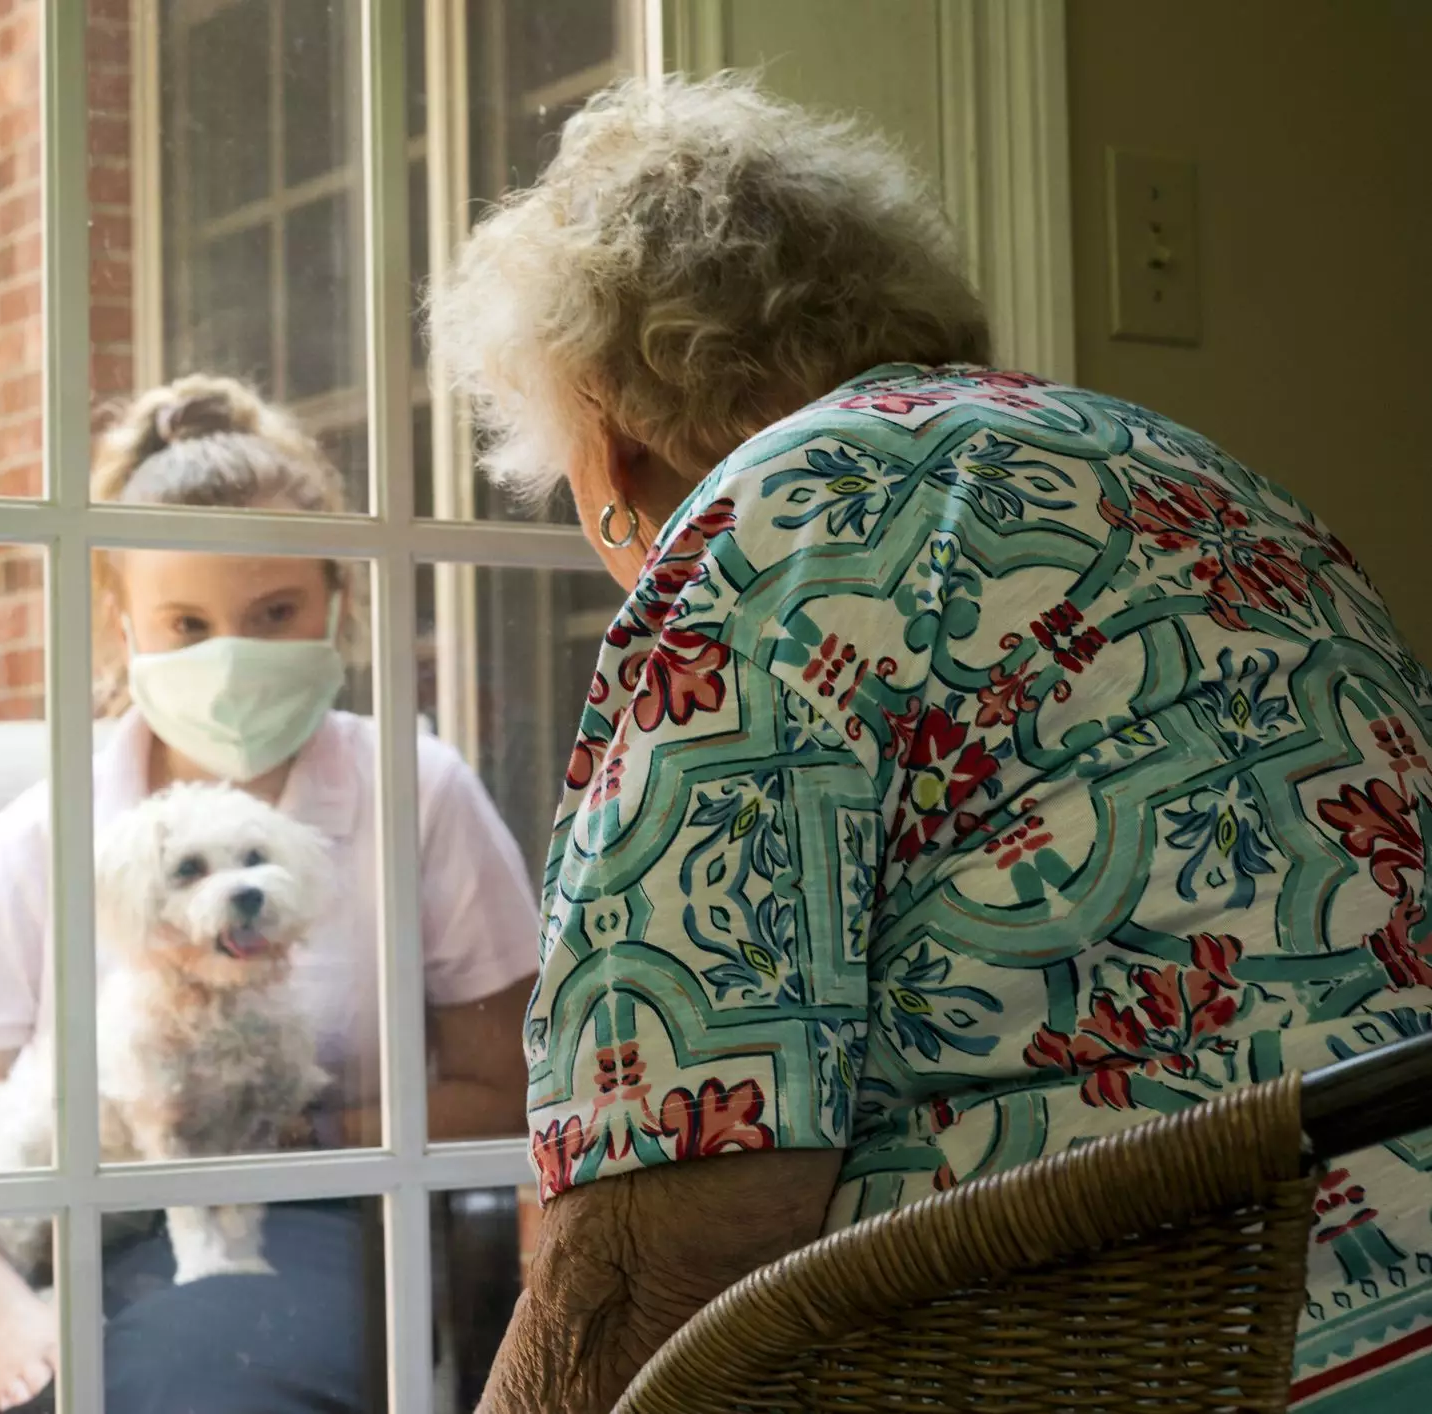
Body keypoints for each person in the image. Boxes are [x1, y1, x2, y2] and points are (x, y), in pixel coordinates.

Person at [427, 72, 1432, 1413]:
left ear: (608, 442)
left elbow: (688, 1195)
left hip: (1193, 1342)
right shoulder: (1179, 465)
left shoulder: (766, 532)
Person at [0, 375, 541, 1413]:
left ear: (336, 605)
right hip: (46, 1227)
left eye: (275, 612)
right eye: (184, 621)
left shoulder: (418, 791)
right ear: (122, 625)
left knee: (202, 1381)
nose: (233, 655)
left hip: (298, 1217)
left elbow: (512, 1093)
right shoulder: (44, 832)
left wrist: (289, 1132)